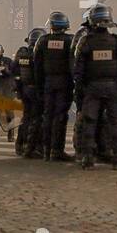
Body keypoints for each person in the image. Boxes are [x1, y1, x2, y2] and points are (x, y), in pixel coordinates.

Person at [72, 4, 117, 169]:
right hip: (113, 87)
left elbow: (78, 71)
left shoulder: (85, 42)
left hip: (92, 87)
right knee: (116, 122)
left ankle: (88, 158)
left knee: (90, 122)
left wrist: (80, 91)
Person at [34, 11, 75, 162]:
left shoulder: (42, 41)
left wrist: (40, 87)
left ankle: (46, 151)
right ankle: (57, 151)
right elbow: (74, 65)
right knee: (60, 117)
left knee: (48, 116)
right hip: (64, 84)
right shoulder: (70, 41)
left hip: (48, 84)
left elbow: (37, 66)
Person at [13, 32, 44, 155]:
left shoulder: (22, 54)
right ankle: (32, 147)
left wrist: (19, 90)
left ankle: (20, 145)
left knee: (26, 118)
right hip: (35, 90)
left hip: (25, 90)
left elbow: (14, 71)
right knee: (36, 118)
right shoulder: (38, 54)